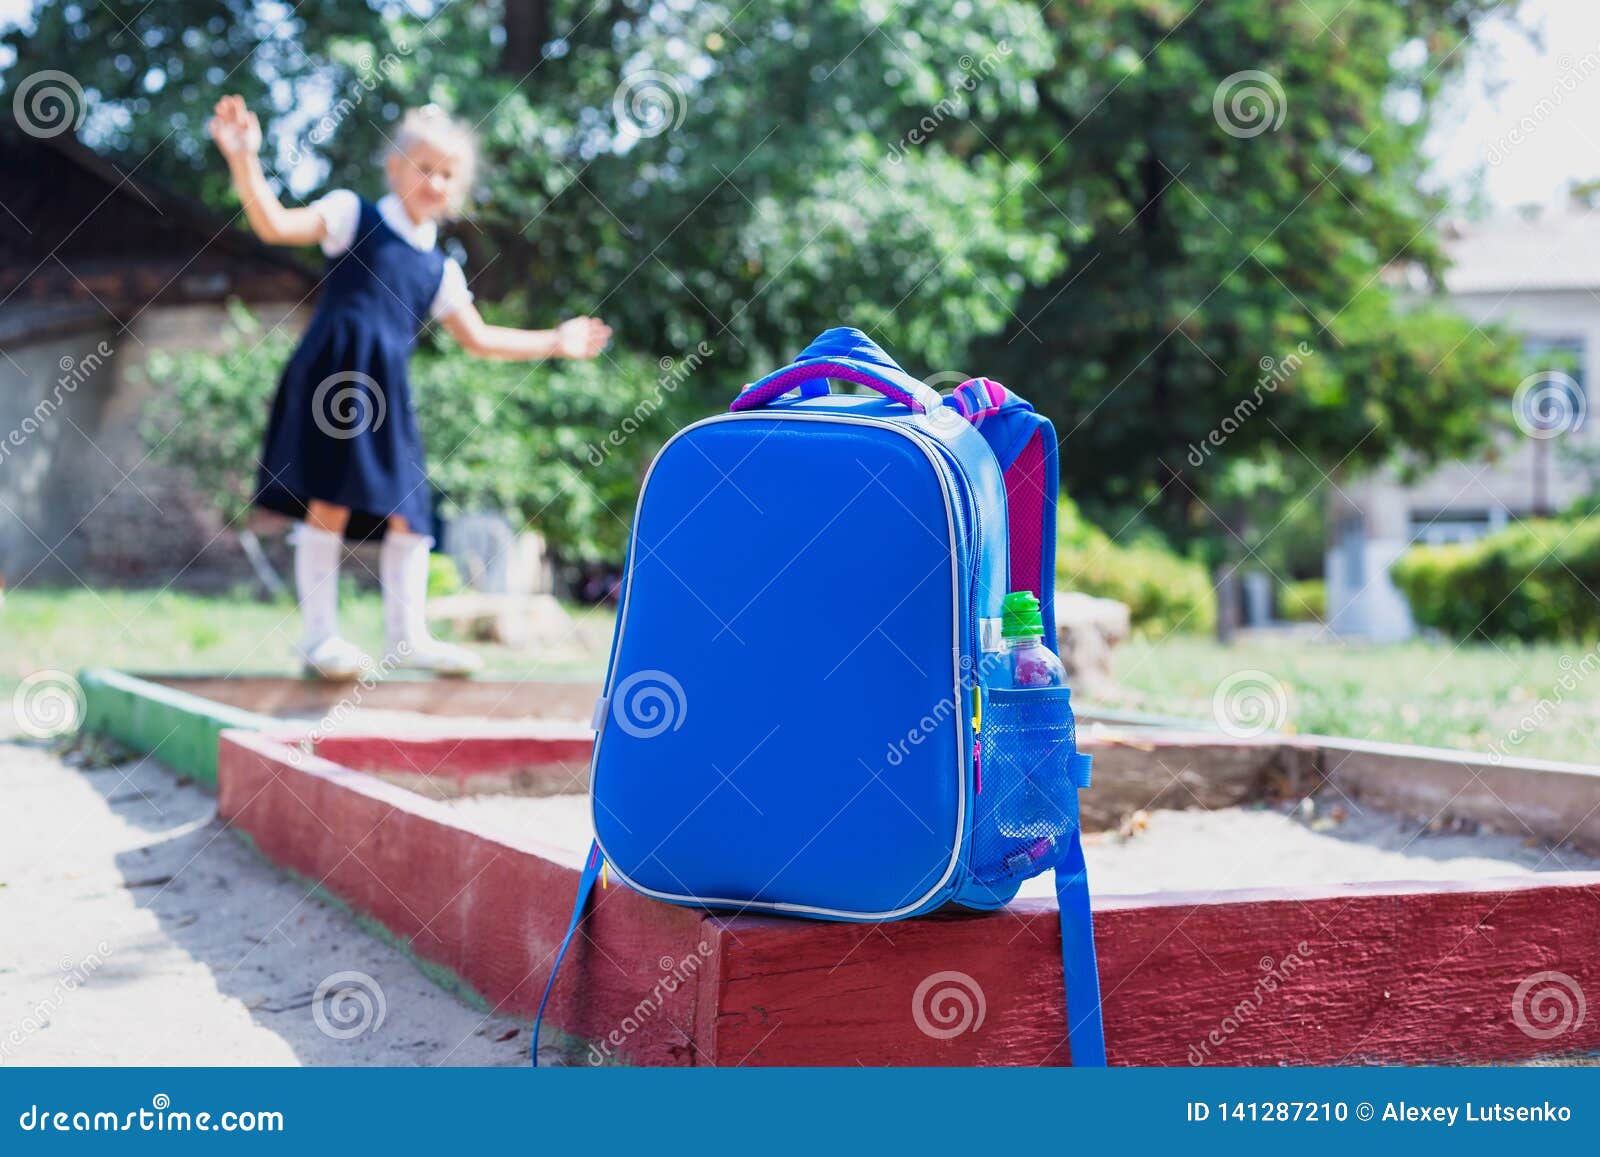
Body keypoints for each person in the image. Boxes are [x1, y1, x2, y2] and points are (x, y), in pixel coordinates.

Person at [209, 96, 611, 678]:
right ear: (394, 166)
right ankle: (319, 640)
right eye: (424, 166)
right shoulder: (353, 215)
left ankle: (410, 637)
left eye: (448, 173)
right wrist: (245, 159)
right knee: (330, 499)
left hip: (388, 392)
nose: (436, 181)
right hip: (335, 376)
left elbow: (478, 337)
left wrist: (555, 340)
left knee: (411, 512)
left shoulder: (440, 268)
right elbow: (273, 223)